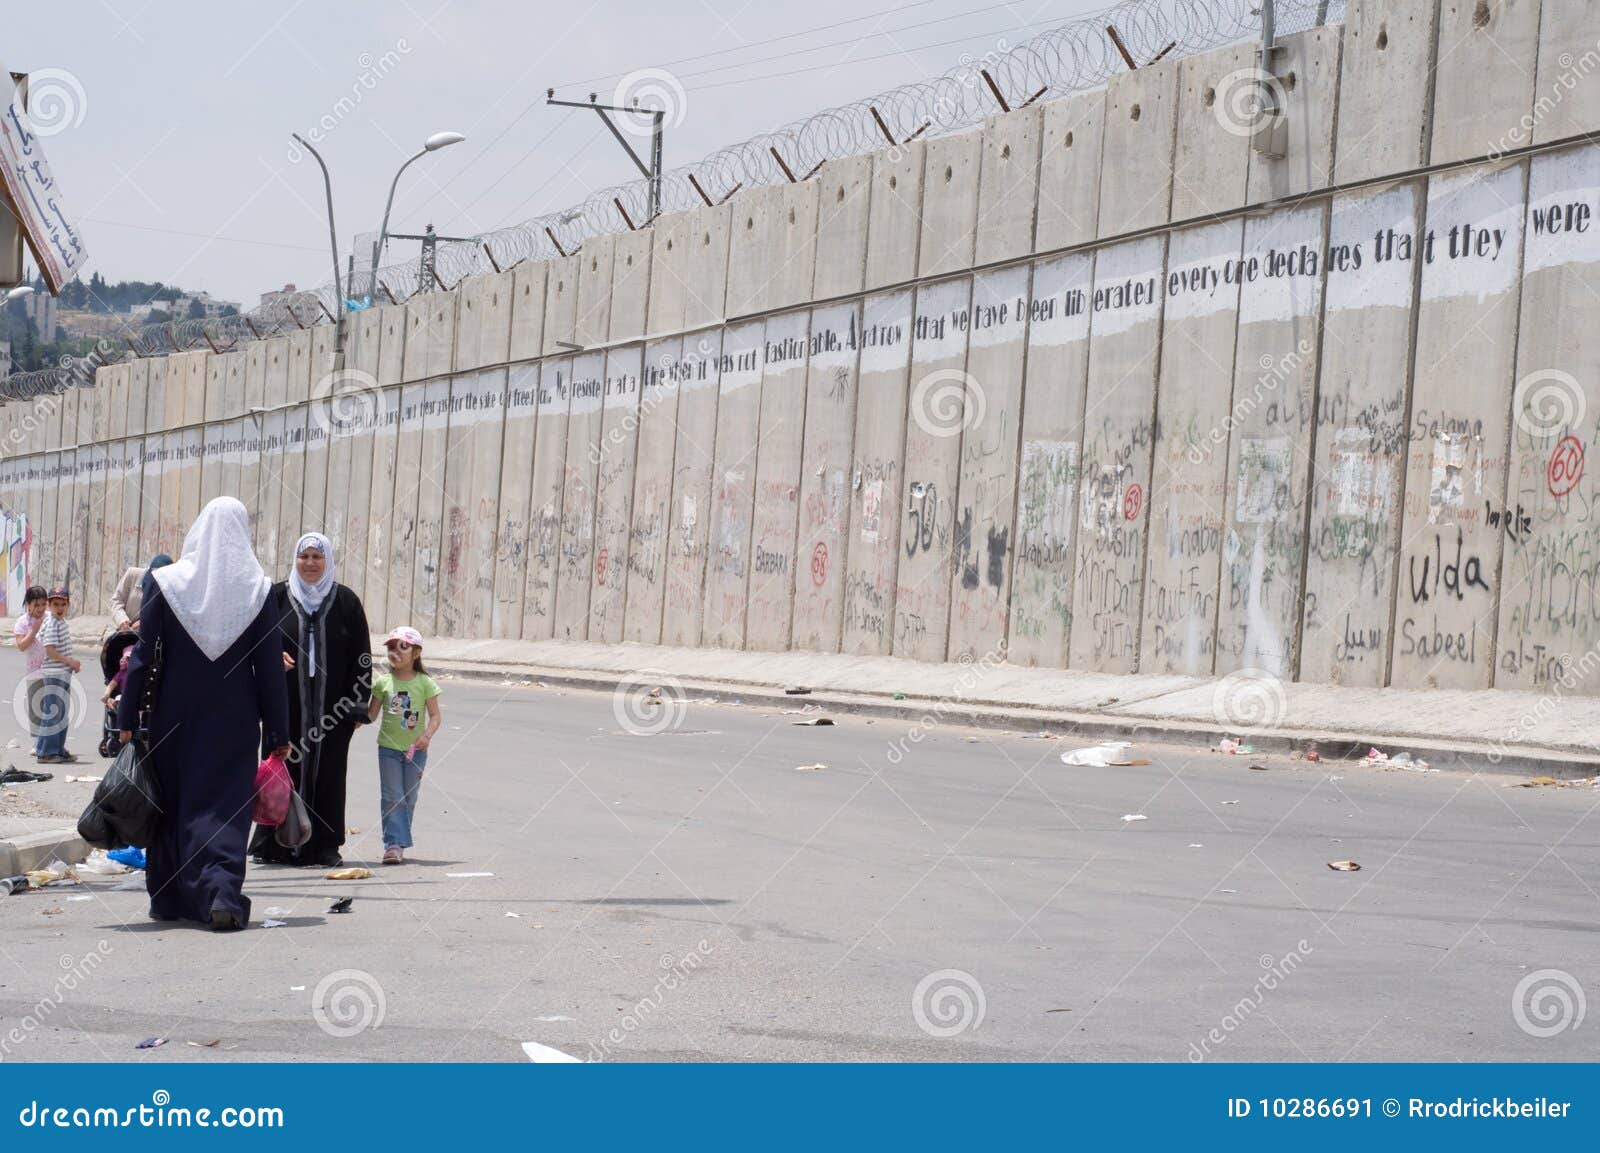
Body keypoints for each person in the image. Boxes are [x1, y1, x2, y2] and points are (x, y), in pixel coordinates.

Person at [117, 497, 290, 931]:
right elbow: (269, 668)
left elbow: (142, 654)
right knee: (225, 803)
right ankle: (220, 891)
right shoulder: (258, 588)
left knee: (173, 801)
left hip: (171, 713)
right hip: (234, 715)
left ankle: (169, 896)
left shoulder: (165, 582)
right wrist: (278, 732)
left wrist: (126, 716)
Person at [248, 532, 372, 869]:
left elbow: (362, 655)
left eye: (318, 557)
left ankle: (325, 845)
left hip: (333, 710)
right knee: (280, 768)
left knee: (330, 773)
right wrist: (272, 657)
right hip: (284, 704)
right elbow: (253, 642)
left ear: (328, 561)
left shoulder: (346, 602)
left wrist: (358, 706)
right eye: (305, 557)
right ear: (295, 560)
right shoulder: (276, 597)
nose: (311, 563)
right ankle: (276, 844)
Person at [369, 626, 442, 865]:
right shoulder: (382, 683)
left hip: (416, 751)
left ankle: (399, 841)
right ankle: (393, 845)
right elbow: (371, 715)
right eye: (390, 647)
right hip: (387, 750)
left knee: (408, 798)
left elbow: (435, 717)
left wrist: (426, 737)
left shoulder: (425, 683)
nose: (395, 652)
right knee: (392, 796)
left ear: (416, 653)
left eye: (402, 647)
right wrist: (351, 718)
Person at [36, 585, 81, 764]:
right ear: (49, 605)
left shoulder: (56, 621)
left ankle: (55, 749)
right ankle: (47, 752)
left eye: (63, 604)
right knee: (54, 713)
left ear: (68, 604)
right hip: (55, 672)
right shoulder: (53, 622)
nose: (60, 608)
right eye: (56, 604)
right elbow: (50, 651)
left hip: (61, 672)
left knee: (59, 713)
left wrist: (70, 664)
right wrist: (71, 662)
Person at [12, 585, 49, 758]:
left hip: (52, 669)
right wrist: (34, 629)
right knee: (36, 707)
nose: (40, 609)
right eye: (36, 605)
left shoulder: (50, 618)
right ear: (28, 604)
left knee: (52, 706)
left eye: (43, 604)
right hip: (34, 671)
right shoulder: (22, 622)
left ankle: (51, 742)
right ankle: (37, 743)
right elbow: (21, 645)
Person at [110, 553, 172, 632]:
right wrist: (122, 620)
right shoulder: (132, 574)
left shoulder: (170, 586)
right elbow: (116, 600)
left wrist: (143, 622)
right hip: (127, 630)